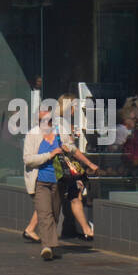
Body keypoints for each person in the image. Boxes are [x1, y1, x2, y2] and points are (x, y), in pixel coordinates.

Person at [23, 102, 67, 261]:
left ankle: (51, 244)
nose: (45, 123)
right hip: (40, 181)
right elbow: (28, 160)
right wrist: (49, 155)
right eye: (42, 120)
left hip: (58, 180)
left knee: (55, 213)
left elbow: (71, 150)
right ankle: (47, 246)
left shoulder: (60, 132)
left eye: (48, 119)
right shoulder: (32, 134)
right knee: (44, 213)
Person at [54, 94, 99, 241]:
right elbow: (71, 149)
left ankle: (85, 229)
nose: (75, 109)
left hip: (63, 168)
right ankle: (85, 229)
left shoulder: (59, 122)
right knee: (63, 198)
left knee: (74, 197)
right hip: (63, 168)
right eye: (73, 106)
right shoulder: (61, 123)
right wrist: (89, 163)